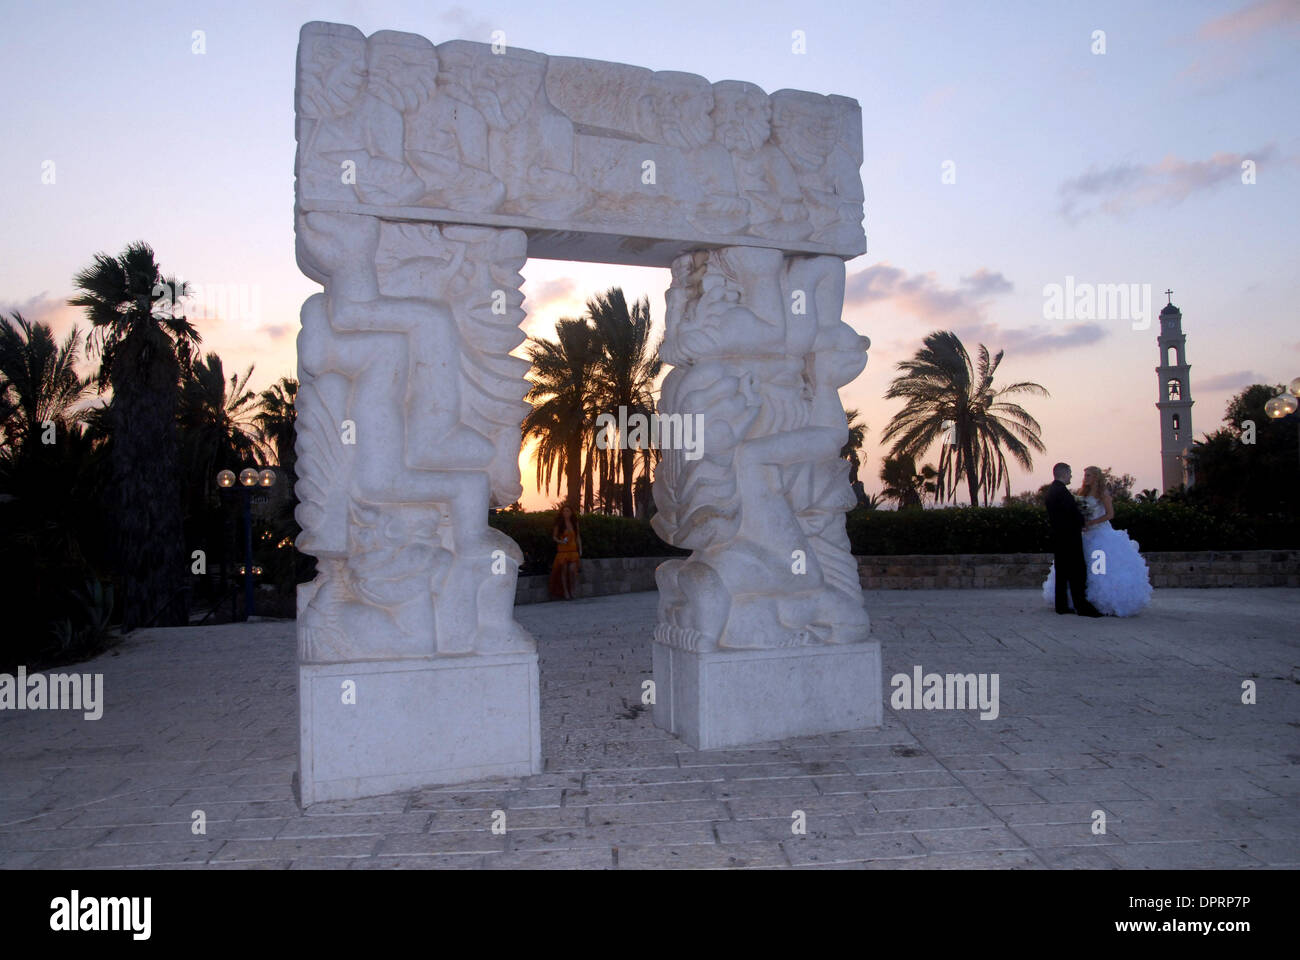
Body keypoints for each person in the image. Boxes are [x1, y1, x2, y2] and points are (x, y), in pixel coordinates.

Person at [1043, 466, 1152, 617]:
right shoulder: (1082, 493)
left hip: (1100, 534)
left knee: (1098, 568)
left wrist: (1092, 522)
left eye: (1088, 475)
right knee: (1080, 569)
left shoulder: (1103, 494)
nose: (1085, 478)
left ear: (1096, 477)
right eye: (1084, 475)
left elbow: (1110, 514)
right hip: (1084, 536)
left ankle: (1099, 600)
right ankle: (1078, 602)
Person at [1042, 462, 1103, 617]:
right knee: (1077, 572)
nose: (1071, 476)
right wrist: (1082, 522)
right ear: (1064, 473)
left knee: (1062, 573)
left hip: (1059, 538)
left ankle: (1061, 606)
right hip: (1069, 538)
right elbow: (1071, 514)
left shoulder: (1052, 490)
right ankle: (1081, 606)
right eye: (1070, 473)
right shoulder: (1061, 491)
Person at [549, 504, 582, 600]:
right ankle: (566, 591)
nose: (566, 513)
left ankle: (572, 589)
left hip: (573, 550)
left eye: (568, 511)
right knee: (564, 570)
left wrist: (580, 549)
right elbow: (554, 537)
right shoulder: (559, 524)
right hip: (563, 551)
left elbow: (578, 536)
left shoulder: (574, 523)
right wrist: (561, 541)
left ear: (571, 513)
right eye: (564, 511)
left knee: (572, 570)